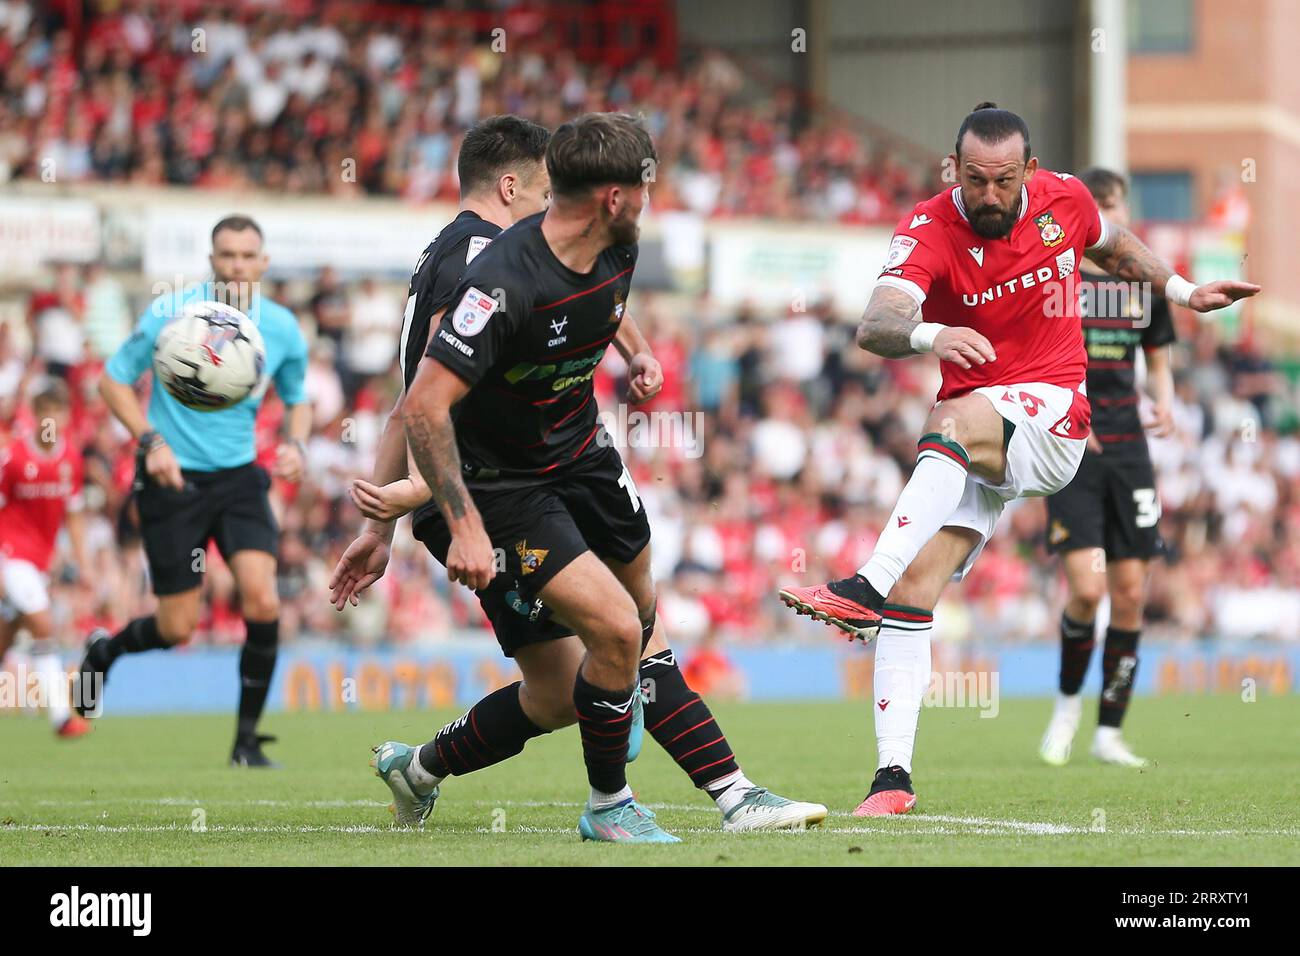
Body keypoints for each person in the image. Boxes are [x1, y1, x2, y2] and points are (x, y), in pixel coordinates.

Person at [331, 114, 825, 838]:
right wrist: (430, 511)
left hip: (581, 459)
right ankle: (641, 803)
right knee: (618, 637)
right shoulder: (488, 265)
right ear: (615, 199)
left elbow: (590, 294)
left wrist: (639, 350)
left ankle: (423, 767)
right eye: (646, 190)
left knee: (601, 660)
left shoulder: (612, 247)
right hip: (499, 486)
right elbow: (424, 400)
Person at [779, 103, 1258, 816]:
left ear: (1030, 171)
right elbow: (876, 322)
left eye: (1004, 180)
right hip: (982, 448)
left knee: (949, 420)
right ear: (955, 169)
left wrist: (1185, 292)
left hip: (1057, 416)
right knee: (919, 586)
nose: (991, 195)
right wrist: (929, 335)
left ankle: (863, 586)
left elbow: (1115, 244)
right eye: (976, 180)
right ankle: (892, 778)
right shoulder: (929, 226)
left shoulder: (1066, 198)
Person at [77, 215, 310, 767]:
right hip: (171, 478)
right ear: (211, 260)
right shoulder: (171, 314)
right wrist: (149, 439)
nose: (236, 264)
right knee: (176, 626)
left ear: (264, 263)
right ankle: (102, 652)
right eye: (225, 254)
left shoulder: (280, 328)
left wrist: (296, 444)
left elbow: (298, 396)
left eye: (247, 255)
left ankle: (246, 741)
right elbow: (111, 380)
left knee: (263, 597)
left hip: (239, 479)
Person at [1039, 168, 1176, 768]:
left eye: (1114, 208)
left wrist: (1165, 397)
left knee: (1128, 595)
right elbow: (1039, 359)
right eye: (1098, 209)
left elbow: (1157, 353)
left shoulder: (1141, 284)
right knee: (1087, 590)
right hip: (1073, 446)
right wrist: (1072, 414)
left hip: (1129, 450)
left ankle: (1109, 730)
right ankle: (1067, 704)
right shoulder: (1057, 282)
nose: (1105, 221)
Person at [0, 380, 91, 738]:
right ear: (36, 417)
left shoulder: (71, 461)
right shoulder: (13, 459)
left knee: (7, 634)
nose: (52, 420)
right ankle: (61, 718)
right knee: (43, 623)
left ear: (66, 417)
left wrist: (83, 564)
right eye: (46, 414)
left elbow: (74, 515)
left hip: (40, 562)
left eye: (59, 413)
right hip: (10, 556)